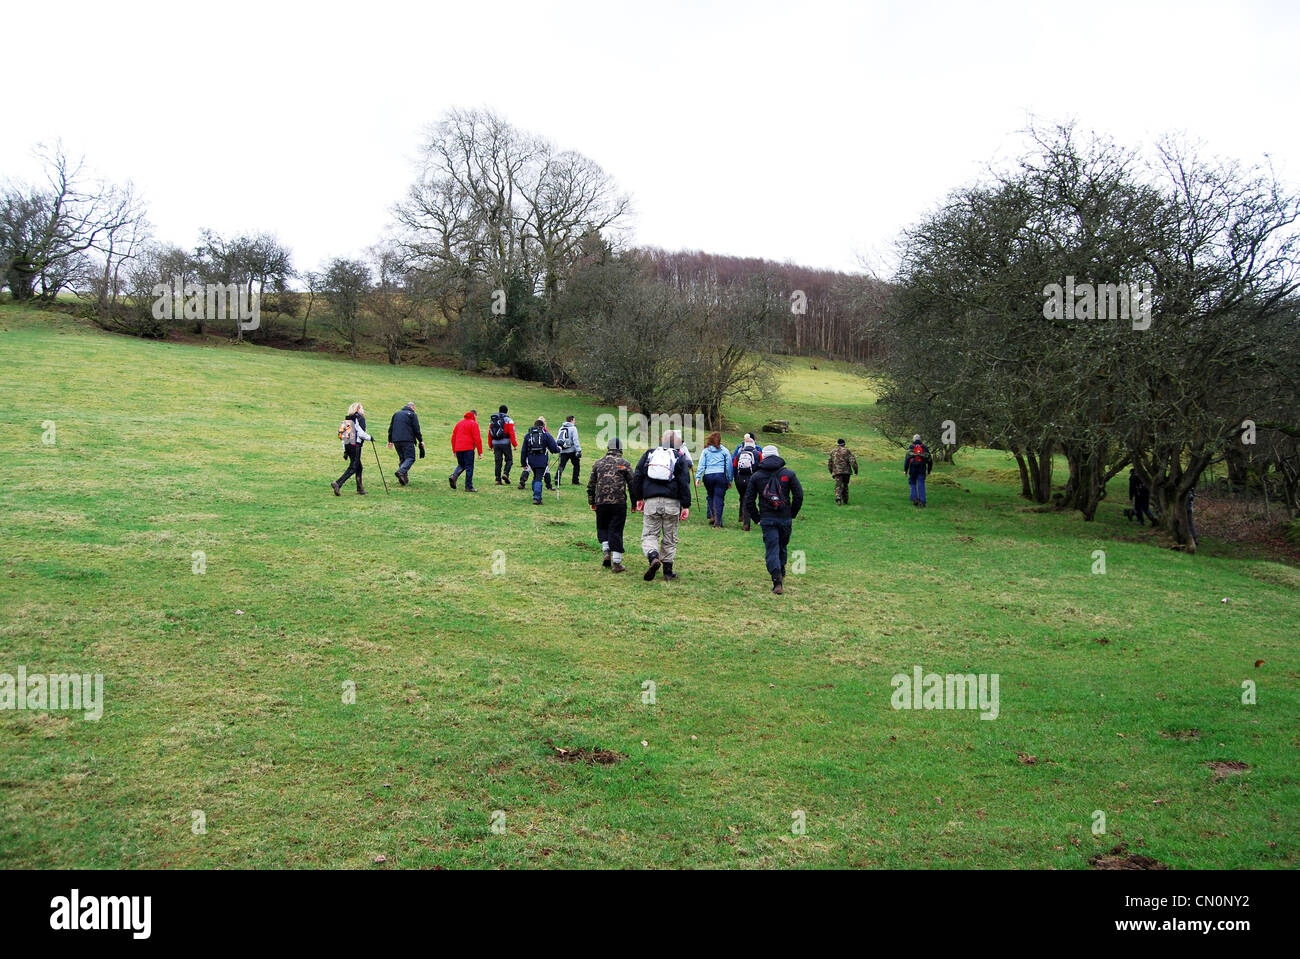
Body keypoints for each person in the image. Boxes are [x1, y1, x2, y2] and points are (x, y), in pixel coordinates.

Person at [630, 428, 693, 581]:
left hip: (651, 501)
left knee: (650, 534)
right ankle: (667, 571)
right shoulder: (680, 457)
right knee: (670, 537)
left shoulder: (650, 454)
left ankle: (653, 557)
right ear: (677, 442)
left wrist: (638, 498)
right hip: (672, 502)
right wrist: (686, 505)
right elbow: (684, 482)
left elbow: (637, 475)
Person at [742, 444, 804, 594]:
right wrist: (792, 513)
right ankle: (781, 570)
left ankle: (777, 580)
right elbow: (799, 495)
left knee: (772, 548)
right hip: (784, 517)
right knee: (782, 545)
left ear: (763, 457)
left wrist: (757, 518)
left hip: (767, 518)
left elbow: (748, 500)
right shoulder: (789, 474)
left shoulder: (756, 476)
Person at [587, 437, 634, 572]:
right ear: (620, 449)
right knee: (616, 529)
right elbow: (632, 484)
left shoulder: (598, 463)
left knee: (603, 526)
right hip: (618, 502)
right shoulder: (624, 463)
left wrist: (592, 501)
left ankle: (606, 551)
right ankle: (617, 563)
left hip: (601, 502)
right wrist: (635, 502)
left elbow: (591, 484)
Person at [332, 402, 373, 496]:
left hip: (348, 445)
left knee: (359, 467)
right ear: (358, 409)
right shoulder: (360, 418)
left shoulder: (347, 420)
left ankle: (360, 488)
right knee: (354, 467)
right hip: (356, 445)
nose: (363, 410)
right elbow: (361, 433)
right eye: (362, 408)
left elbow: (343, 437)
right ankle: (338, 483)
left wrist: (345, 451)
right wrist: (370, 438)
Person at [696, 431, 734, 527]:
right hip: (720, 476)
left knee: (710, 495)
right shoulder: (725, 450)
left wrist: (698, 477)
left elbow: (701, 464)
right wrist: (730, 479)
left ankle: (712, 515)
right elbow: (729, 466)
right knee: (719, 497)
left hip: (708, 476)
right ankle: (717, 521)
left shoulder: (705, 451)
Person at [519, 418, 560, 505]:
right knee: (538, 478)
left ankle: (535, 493)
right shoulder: (546, 435)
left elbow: (523, 450)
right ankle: (537, 498)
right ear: (543, 426)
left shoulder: (528, 435)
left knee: (536, 476)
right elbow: (553, 448)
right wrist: (559, 449)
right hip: (541, 460)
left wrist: (523, 463)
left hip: (531, 460)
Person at [387, 402, 423, 486]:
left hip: (396, 440)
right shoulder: (412, 415)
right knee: (410, 458)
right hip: (407, 440)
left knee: (403, 459)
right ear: (412, 407)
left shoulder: (396, 414)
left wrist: (390, 440)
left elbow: (391, 427)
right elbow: (416, 428)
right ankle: (401, 472)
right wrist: (420, 440)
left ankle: (404, 479)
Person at [732, 433, 763, 531]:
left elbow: (734, 466)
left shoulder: (739, 454)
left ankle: (742, 516)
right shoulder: (758, 454)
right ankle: (746, 524)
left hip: (739, 479)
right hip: (752, 479)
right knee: (749, 500)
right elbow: (761, 467)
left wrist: (734, 478)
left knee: (743, 497)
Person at [449, 410, 483, 491]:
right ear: (474, 415)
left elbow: (453, 437)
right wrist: (480, 452)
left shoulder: (459, 423)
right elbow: (477, 438)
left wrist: (454, 450)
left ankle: (454, 476)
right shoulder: (474, 424)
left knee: (461, 464)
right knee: (469, 467)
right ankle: (468, 487)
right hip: (468, 448)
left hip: (458, 448)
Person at [518, 415, 553, 492]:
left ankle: (522, 482)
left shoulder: (530, 434)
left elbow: (524, 450)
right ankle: (548, 485)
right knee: (544, 472)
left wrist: (523, 462)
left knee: (528, 469)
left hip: (531, 455)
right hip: (542, 457)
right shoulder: (545, 432)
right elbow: (551, 445)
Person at [488, 404, 518, 485]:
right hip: (505, 442)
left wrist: (490, 445)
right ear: (507, 411)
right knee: (509, 459)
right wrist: (515, 445)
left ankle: (497, 480)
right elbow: (512, 433)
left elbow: (489, 433)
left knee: (498, 461)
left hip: (495, 443)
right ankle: (506, 474)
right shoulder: (508, 420)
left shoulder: (493, 420)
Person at [903, 433, 933, 507]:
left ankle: (915, 499)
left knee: (912, 483)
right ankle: (922, 502)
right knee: (921, 484)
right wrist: (929, 470)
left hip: (913, 468)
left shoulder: (911, 447)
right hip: (922, 468)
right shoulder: (925, 447)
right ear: (920, 440)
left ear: (913, 440)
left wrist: (905, 470)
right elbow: (930, 460)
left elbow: (907, 459)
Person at [828, 438, 859, 505]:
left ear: (837, 444)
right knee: (845, 485)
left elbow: (829, 463)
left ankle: (838, 499)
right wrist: (856, 470)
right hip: (846, 472)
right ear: (844, 444)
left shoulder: (833, 452)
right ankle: (845, 500)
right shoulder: (847, 451)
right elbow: (853, 461)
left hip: (837, 471)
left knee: (838, 485)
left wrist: (831, 471)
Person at [555, 415, 583, 485]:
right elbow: (575, 440)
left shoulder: (561, 428)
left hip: (563, 450)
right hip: (572, 450)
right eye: (574, 420)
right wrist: (578, 450)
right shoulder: (573, 428)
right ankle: (575, 481)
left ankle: (557, 478)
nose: (574, 421)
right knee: (576, 465)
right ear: (572, 420)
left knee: (562, 465)